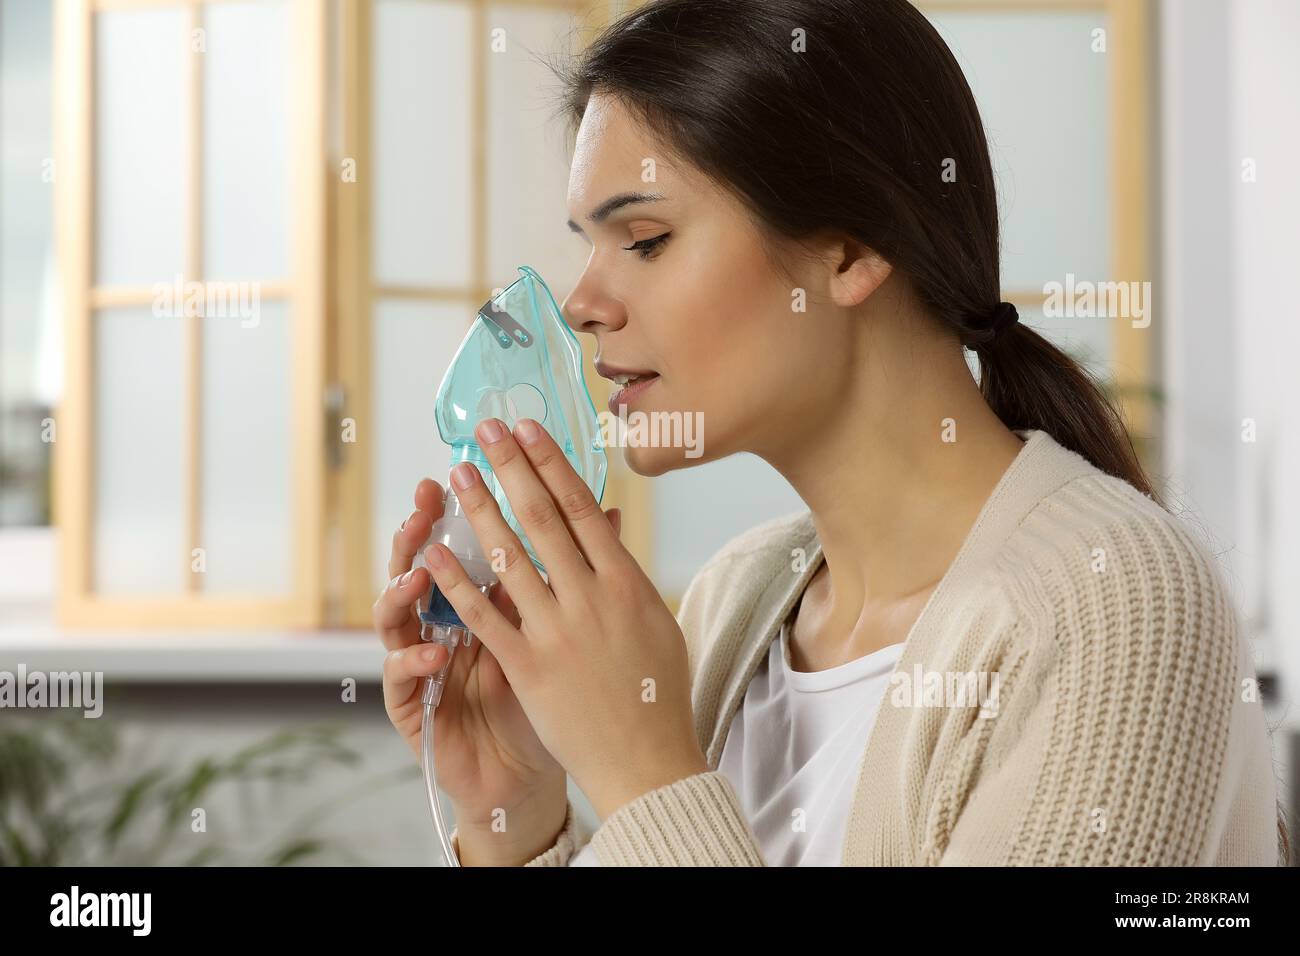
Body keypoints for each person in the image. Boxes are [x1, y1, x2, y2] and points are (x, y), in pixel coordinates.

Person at [373, 0, 1287, 866]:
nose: (580, 304)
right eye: (586, 243)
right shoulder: (735, 603)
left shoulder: (1117, 607)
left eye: (645, 240)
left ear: (850, 250)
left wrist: (643, 773)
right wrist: (519, 813)